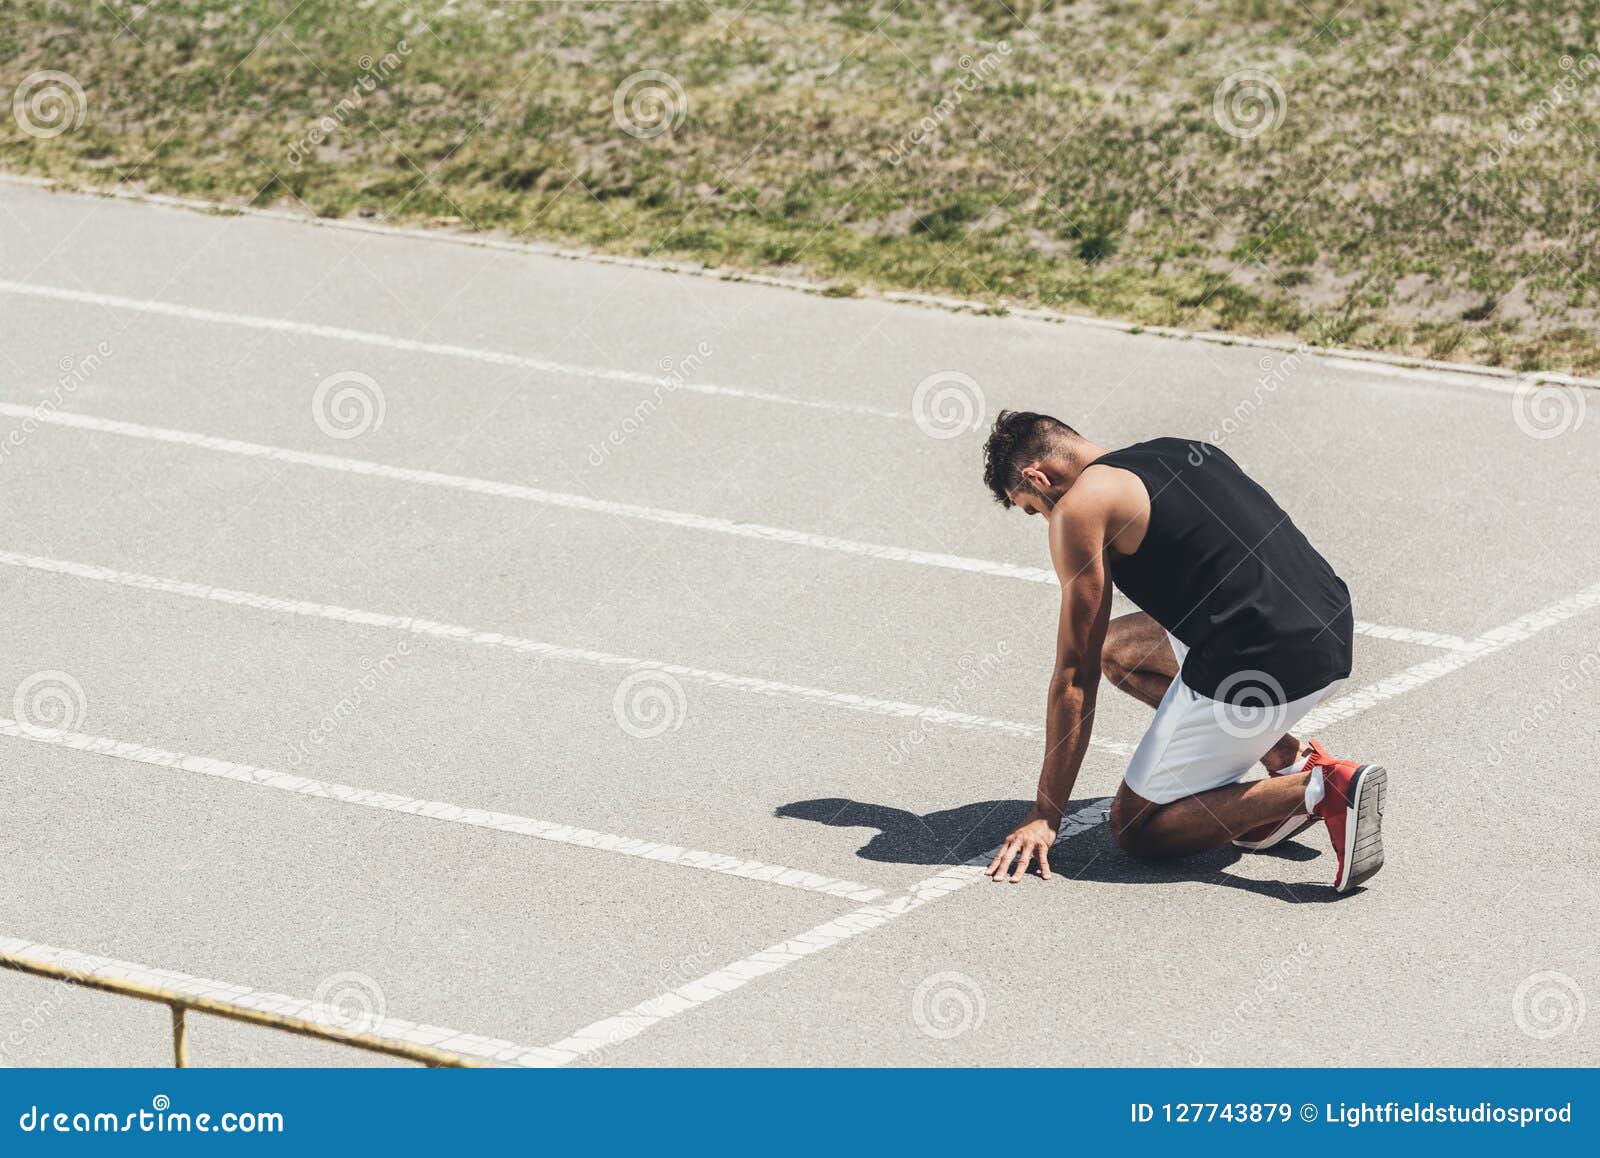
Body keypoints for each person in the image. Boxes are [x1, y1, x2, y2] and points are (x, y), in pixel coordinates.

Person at [978, 411, 1385, 893]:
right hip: (1330, 630)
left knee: (1136, 829)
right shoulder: (1178, 449)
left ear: (1037, 477)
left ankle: (1323, 789)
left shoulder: (1079, 509)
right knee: (1120, 650)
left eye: (1033, 508)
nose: (1045, 519)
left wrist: (1046, 813)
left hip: (1267, 657)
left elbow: (1074, 674)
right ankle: (1289, 760)